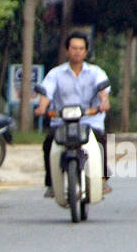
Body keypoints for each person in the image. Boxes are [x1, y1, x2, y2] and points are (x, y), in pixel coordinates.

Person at [35, 32, 111, 197]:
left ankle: (103, 178)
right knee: (49, 142)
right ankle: (51, 183)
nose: (77, 52)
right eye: (74, 48)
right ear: (67, 50)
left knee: (100, 139)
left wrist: (103, 102)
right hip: (62, 121)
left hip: (90, 120)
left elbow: (102, 89)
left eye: (81, 48)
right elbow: (46, 92)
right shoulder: (55, 73)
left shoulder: (95, 72)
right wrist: (42, 107)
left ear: (86, 52)